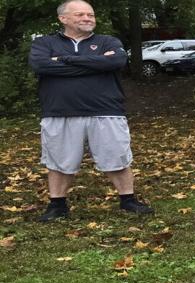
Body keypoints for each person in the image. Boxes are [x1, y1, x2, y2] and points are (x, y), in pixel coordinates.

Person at [28, 1, 154, 222]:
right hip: (59, 112)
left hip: (106, 110)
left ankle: (128, 201)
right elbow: (41, 66)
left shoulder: (108, 41)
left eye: (91, 14)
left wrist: (65, 60)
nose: (88, 18)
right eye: (80, 14)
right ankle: (58, 206)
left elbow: (116, 61)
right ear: (63, 19)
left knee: (118, 157)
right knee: (59, 162)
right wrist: (95, 63)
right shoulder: (44, 43)